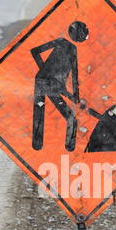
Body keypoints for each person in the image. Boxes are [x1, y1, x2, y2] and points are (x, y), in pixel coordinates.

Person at [31, 21, 89, 151]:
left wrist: (75, 96)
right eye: (83, 34)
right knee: (39, 113)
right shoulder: (61, 42)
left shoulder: (73, 50)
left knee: (70, 118)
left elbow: (75, 76)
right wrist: (44, 69)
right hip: (43, 81)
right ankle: (37, 146)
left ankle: (69, 147)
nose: (84, 37)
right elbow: (35, 51)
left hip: (53, 84)